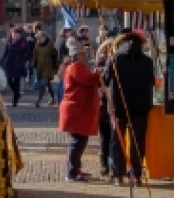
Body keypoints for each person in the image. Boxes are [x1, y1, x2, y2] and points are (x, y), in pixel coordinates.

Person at [102, 27, 155, 186]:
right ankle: (136, 175)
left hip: (119, 107)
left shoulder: (115, 58)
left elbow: (104, 80)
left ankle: (117, 174)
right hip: (141, 107)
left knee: (117, 141)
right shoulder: (147, 61)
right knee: (138, 142)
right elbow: (151, 82)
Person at [58, 45, 100, 182]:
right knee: (77, 142)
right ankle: (72, 173)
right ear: (76, 56)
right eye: (83, 54)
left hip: (78, 109)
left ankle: (76, 169)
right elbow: (88, 79)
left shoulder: (76, 67)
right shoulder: (75, 67)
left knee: (79, 141)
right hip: (76, 110)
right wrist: (99, 73)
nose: (85, 56)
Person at [92, 26, 120, 178]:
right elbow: (99, 80)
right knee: (106, 136)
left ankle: (109, 163)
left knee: (110, 136)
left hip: (110, 103)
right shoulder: (103, 62)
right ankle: (105, 163)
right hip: (105, 103)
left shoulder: (116, 61)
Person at [1, 26, 33, 107]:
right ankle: (17, 93)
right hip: (10, 63)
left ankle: (15, 101)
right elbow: (6, 51)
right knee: (9, 80)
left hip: (19, 65)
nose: (14, 35)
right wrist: (2, 62)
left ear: (19, 35)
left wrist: (26, 60)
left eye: (16, 34)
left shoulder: (23, 42)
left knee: (16, 82)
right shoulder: (9, 41)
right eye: (13, 34)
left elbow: (28, 53)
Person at [33, 29, 59, 108]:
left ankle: (38, 100)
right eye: (37, 38)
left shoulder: (50, 45)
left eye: (40, 38)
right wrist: (33, 64)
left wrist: (56, 67)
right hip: (40, 68)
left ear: (44, 37)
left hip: (48, 67)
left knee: (43, 84)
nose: (38, 40)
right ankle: (52, 98)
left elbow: (55, 56)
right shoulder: (37, 45)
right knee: (48, 85)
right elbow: (35, 55)